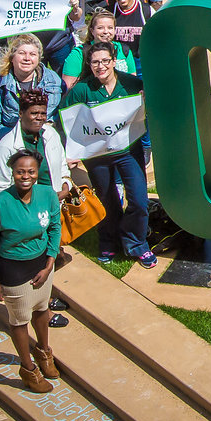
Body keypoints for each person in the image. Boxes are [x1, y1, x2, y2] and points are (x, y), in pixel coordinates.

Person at [0, 149, 62, 393]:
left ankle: (44, 352)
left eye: (31, 171)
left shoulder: (47, 195)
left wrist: (49, 262)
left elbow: (55, 227)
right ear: (12, 173)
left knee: (42, 310)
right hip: (13, 269)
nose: (26, 176)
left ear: (37, 173)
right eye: (20, 171)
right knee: (20, 319)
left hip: (42, 265)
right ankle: (28, 368)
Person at [62, 42, 155, 268]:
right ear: (89, 65)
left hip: (127, 151)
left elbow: (150, 106)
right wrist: (71, 150)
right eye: (95, 62)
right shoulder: (82, 89)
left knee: (139, 199)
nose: (100, 66)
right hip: (96, 155)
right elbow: (66, 119)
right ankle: (109, 240)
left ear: (114, 61)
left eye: (105, 61)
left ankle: (136, 242)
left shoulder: (131, 83)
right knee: (107, 199)